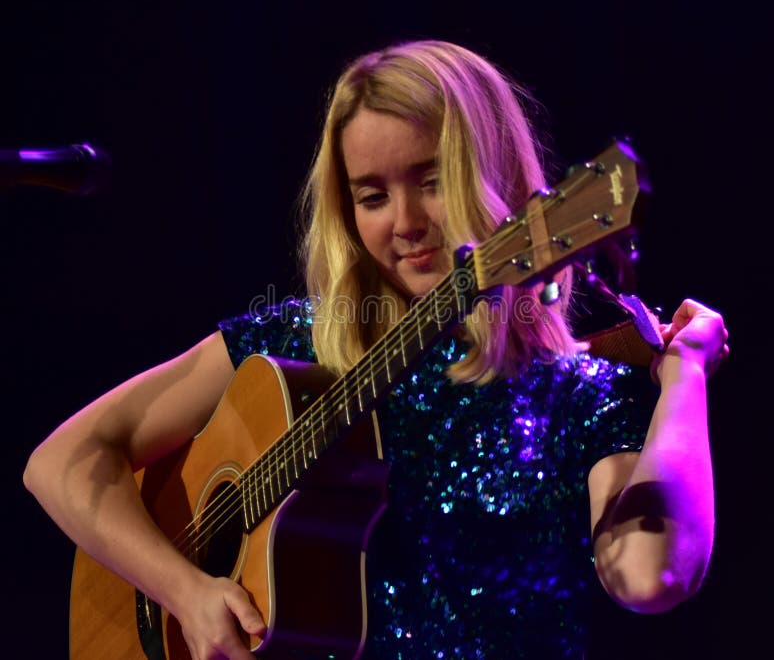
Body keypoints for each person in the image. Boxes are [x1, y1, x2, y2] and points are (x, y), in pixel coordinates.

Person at [23, 39, 729, 659]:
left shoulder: (578, 395)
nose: (406, 223)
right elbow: (60, 463)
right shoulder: (295, 344)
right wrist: (184, 590)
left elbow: (651, 576)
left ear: (504, 179)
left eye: (431, 181)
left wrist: (685, 378)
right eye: (371, 196)